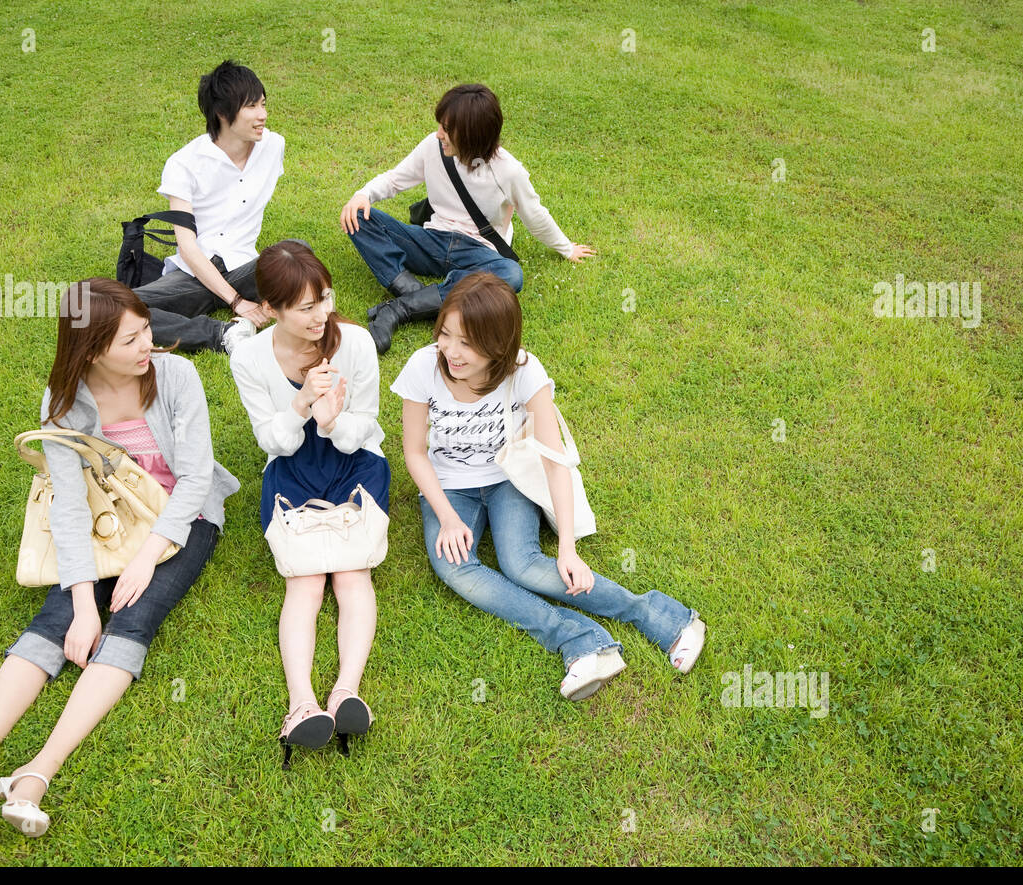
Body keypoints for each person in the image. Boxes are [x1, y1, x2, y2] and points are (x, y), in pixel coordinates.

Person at [0, 279, 239, 836]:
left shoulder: (175, 376)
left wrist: (145, 559)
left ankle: (36, 775)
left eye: (147, 329)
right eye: (132, 339)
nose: (149, 344)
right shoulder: (63, 402)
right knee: (58, 617)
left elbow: (194, 478)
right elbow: (68, 507)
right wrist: (82, 598)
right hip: (107, 517)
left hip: (182, 518)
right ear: (92, 350)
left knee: (135, 616)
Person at [391, 273, 706, 701]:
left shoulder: (523, 370)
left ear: (498, 344)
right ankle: (580, 642)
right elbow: (414, 452)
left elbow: (555, 461)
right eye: (445, 334)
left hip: (508, 479)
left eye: (467, 342)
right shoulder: (423, 367)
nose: (451, 351)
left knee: (521, 564)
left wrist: (568, 548)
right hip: (449, 488)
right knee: (454, 566)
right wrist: (446, 517)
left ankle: (665, 619)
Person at [229, 242, 390, 765]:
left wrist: (332, 420)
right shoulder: (251, 357)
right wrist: (300, 406)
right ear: (271, 309)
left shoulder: (357, 344)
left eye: (324, 298)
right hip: (292, 467)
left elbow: (365, 426)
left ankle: (346, 691)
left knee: (351, 572)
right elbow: (271, 441)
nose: (322, 315)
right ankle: (301, 705)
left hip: (354, 461)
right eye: (305, 307)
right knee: (303, 579)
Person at [340, 83, 596, 354]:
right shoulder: (433, 147)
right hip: (433, 239)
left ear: (473, 134)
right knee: (357, 215)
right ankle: (417, 294)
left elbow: (535, 215)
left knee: (510, 274)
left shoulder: (509, 172)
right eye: (440, 125)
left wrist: (566, 248)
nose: (439, 134)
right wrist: (363, 193)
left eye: (447, 129)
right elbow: (395, 179)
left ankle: (399, 309)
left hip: (478, 252)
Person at [133, 60, 284, 355]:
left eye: (263, 104)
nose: (262, 115)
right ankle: (222, 333)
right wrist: (237, 301)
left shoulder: (273, 146)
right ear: (222, 112)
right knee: (104, 306)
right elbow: (188, 247)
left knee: (296, 253)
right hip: (193, 272)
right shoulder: (184, 164)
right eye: (251, 107)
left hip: (243, 267)